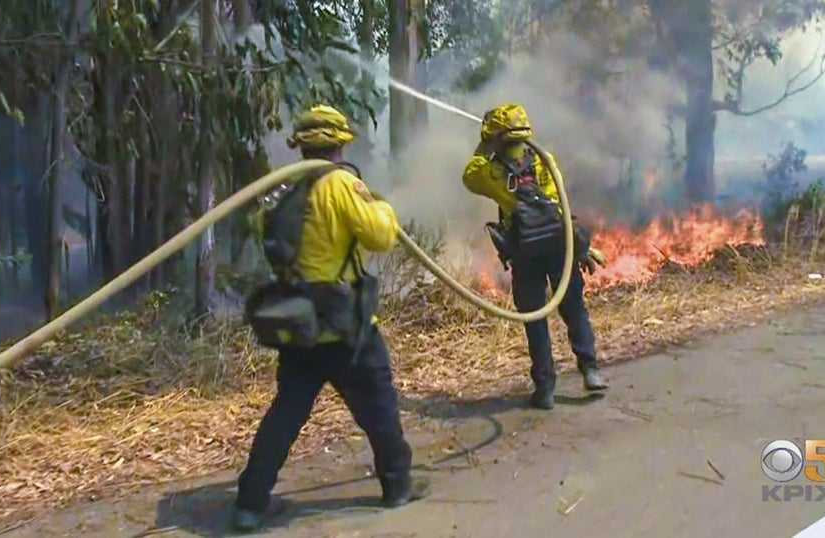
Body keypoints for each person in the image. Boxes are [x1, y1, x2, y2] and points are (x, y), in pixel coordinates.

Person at [235, 104, 429, 531]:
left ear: (301, 145)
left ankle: (250, 503)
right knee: (379, 408)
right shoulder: (342, 184)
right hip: (345, 328)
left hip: (301, 328)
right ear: (341, 143)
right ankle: (397, 486)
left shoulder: (286, 186)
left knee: (284, 416)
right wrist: (381, 206)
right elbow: (381, 236)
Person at [461, 103, 609, 410]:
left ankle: (545, 389)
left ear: (495, 137)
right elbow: (560, 205)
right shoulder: (546, 161)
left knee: (535, 320)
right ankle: (590, 370)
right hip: (558, 245)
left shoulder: (492, 171)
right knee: (574, 309)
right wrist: (579, 248)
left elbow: (469, 175)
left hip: (524, 251)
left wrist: (484, 145)